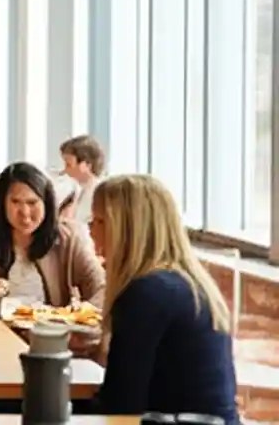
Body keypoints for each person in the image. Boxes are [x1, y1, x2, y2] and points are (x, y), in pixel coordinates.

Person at [90, 175, 238, 422]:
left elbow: (121, 406)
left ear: (129, 230)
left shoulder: (145, 294)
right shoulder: (189, 283)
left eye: (100, 221)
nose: (92, 231)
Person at [0, 162, 104, 317]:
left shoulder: (68, 239)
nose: (25, 213)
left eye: (32, 202)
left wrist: (77, 315)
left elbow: (102, 290)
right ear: (2, 203)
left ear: (46, 204)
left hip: (48, 341)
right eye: (15, 202)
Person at [58, 134, 106, 227]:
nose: (65, 170)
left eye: (69, 165)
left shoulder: (100, 195)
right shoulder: (73, 192)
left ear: (87, 165)